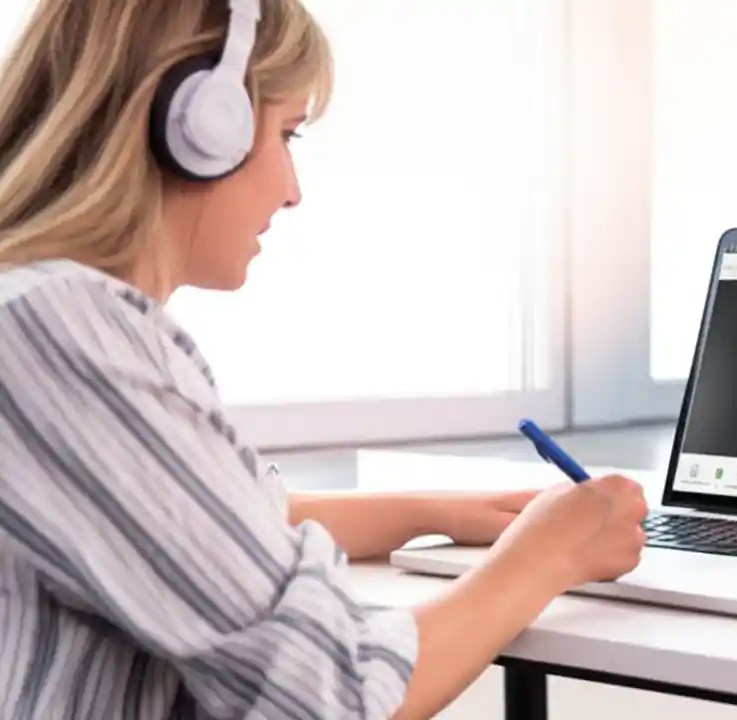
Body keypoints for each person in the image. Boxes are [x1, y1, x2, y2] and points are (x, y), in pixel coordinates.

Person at [0, 1, 646, 718]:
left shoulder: (32, 320)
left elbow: (208, 527)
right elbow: (330, 695)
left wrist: (438, 511)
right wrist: (545, 558)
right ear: (199, 126)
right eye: (286, 132)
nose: (292, 190)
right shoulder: (61, 330)